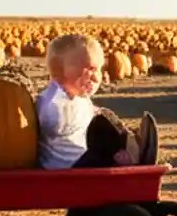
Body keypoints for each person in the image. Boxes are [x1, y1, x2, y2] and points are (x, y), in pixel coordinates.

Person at [36, 33, 159, 170]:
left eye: (99, 70)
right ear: (60, 71)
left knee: (104, 116)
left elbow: (85, 112)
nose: (96, 77)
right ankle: (130, 154)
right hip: (68, 168)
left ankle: (130, 145)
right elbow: (49, 124)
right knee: (101, 126)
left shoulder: (78, 96)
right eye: (90, 70)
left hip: (82, 159)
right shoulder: (53, 103)